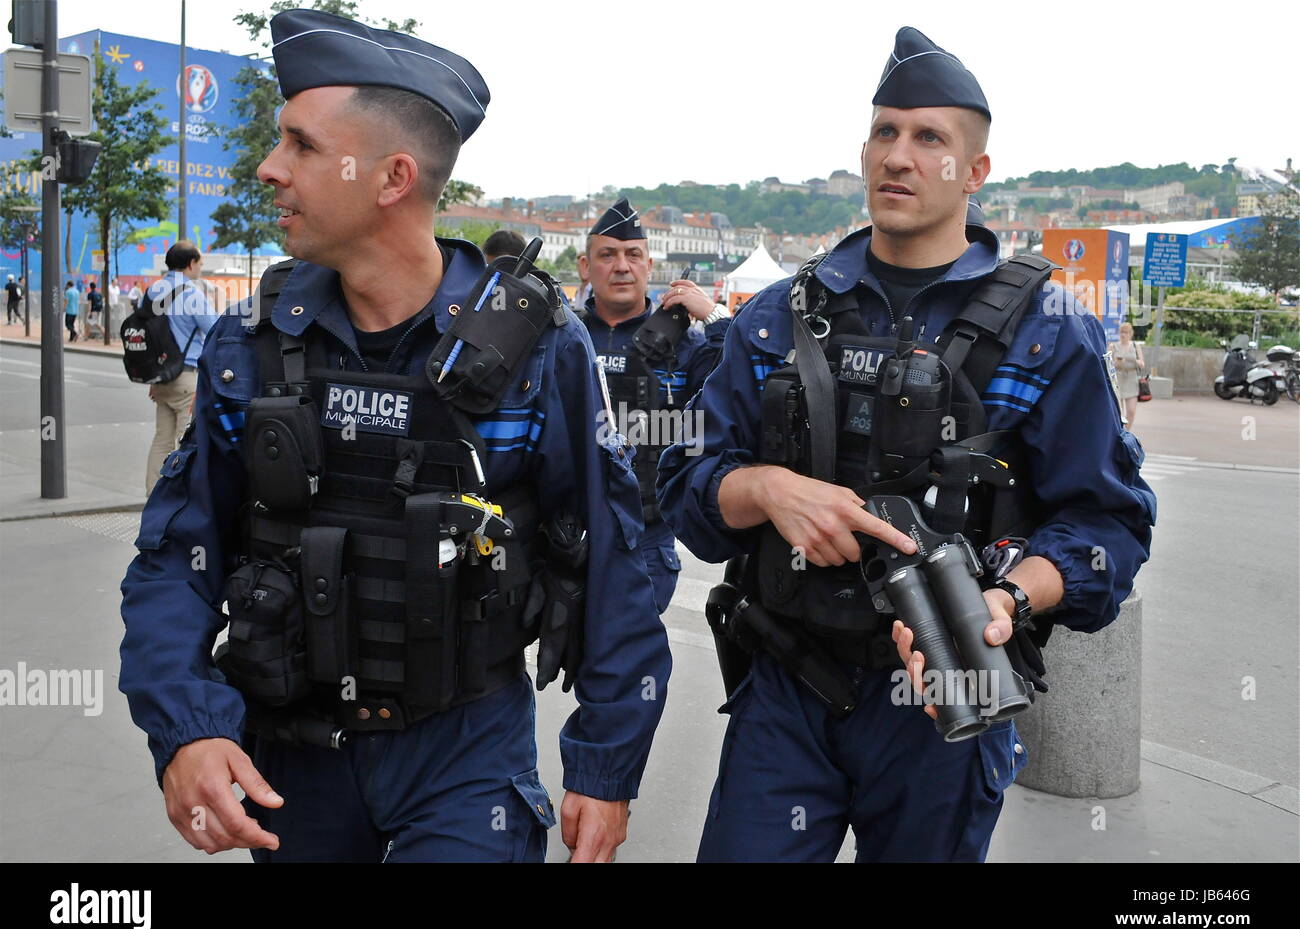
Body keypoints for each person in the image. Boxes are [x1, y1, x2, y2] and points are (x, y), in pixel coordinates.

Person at [119, 9, 670, 864]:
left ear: (391, 177)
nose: (270, 169)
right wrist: (185, 727)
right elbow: (175, 554)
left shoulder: (536, 347)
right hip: (291, 759)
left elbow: (615, 560)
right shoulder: (253, 343)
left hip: (464, 757)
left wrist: (605, 763)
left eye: (300, 146)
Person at [657, 26, 1157, 862]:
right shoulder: (777, 315)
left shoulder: (1047, 330)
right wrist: (768, 489)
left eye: (930, 138)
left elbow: (1109, 527)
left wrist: (1008, 601)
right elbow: (686, 484)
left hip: (946, 707)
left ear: (975, 171)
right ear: (862, 150)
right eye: (885, 132)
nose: (900, 155)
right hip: (786, 686)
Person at [576, 198, 732, 613]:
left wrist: (716, 318)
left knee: (630, 665)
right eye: (606, 255)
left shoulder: (686, 342)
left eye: (633, 255)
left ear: (649, 266)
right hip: (568, 529)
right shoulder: (563, 335)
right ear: (584, 267)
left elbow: (740, 387)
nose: (621, 266)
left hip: (644, 537)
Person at [142, 242, 220, 494]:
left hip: (160, 377)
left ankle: (153, 495)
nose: (200, 267)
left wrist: (155, 377)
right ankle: (181, 498)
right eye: (200, 262)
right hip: (186, 378)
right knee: (187, 442)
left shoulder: (152, 291)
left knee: (162, 439)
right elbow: (216, 330)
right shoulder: (191, 293)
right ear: (190, 263)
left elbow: (148, 335)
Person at [1108, 322, 1145, 429]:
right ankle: (1119, 432)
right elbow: (1107, 364)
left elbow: (1142, 364)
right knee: (1118, 412)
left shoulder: (1135, 346)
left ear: (1130, 334)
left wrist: (1134, 361)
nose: (1123, 335)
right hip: (1117, 380)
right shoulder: (1113, 346)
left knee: (1131, 411)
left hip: (1131, 380)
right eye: (1121, 332)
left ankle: (1127, 432)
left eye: (1126, 332)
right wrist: (1117, 362)